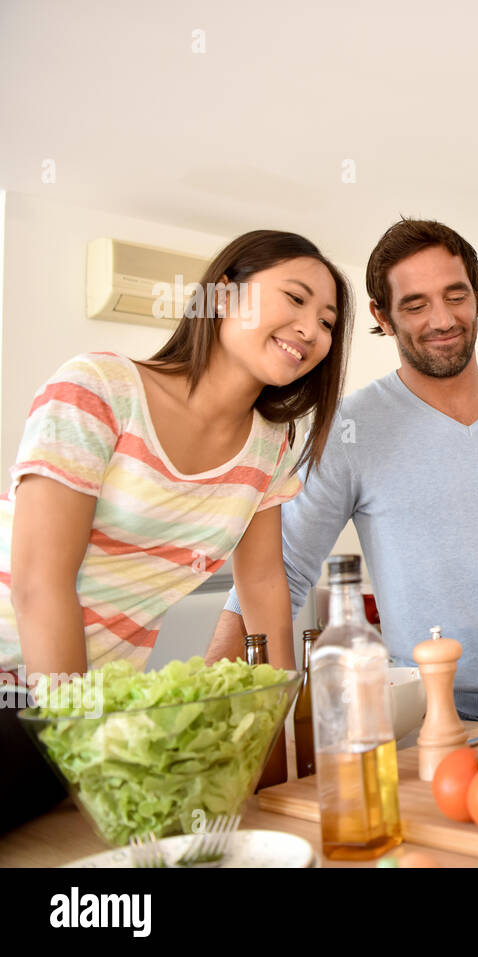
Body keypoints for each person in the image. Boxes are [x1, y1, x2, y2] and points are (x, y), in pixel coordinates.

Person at [0, 229, 352, 831]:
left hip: (73, 710)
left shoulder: (271, 443)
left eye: (326, 322)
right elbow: (39, 582)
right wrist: (86, 745)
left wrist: (269, 752)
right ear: (221, 295)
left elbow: (265, 584)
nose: (312, 331)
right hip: (39, 696)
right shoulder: (99, 388)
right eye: (295, 298)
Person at [206, 218, 478, 721]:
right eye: (416, 305)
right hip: (436, 722)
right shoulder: (347, 429)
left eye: (455, 296)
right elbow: (281, 571)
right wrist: (207, 713)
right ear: (382, 314)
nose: (442, 320)